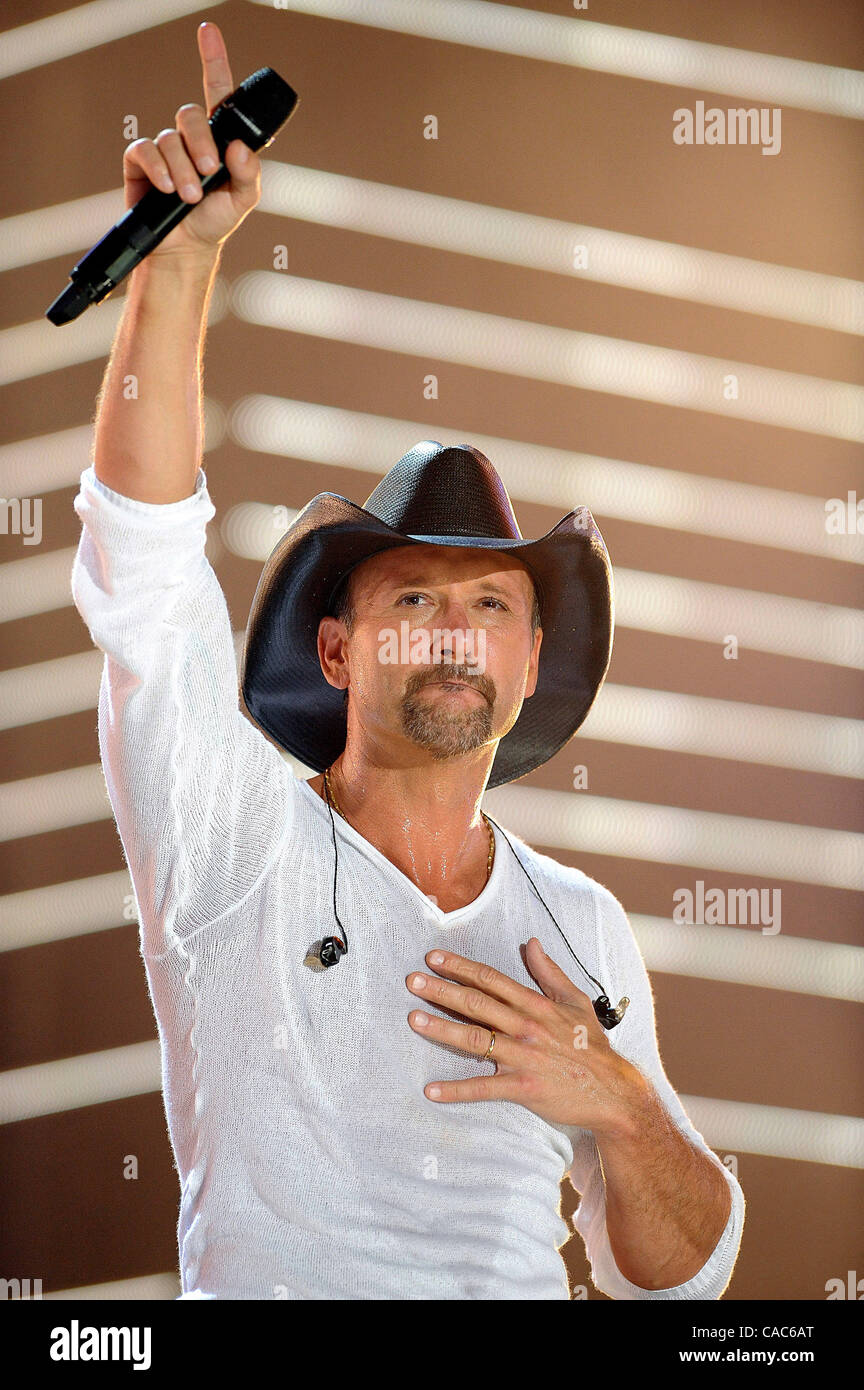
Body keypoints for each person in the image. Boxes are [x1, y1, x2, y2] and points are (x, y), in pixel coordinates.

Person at [70, 20, 744, 1300]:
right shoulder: (230, 842)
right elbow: (145, 566)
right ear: (335, 647)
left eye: (491, 602)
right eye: (414, 594)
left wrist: (619, 1101)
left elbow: (683, 1282)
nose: (454, 629)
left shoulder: (581, 927)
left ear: (532, 656)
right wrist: (181, 260)